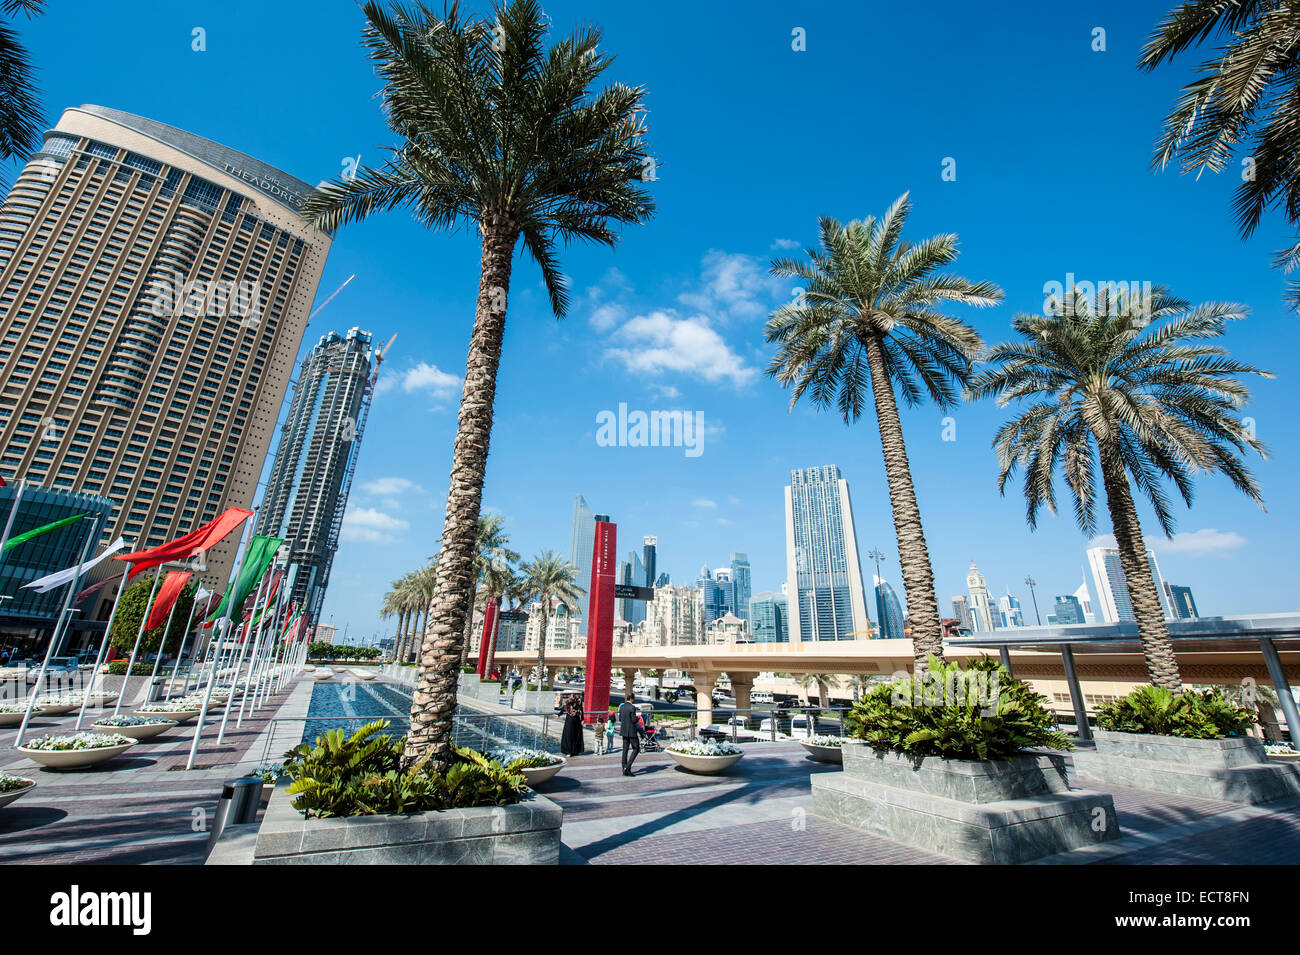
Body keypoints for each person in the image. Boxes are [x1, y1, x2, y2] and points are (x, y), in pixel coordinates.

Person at [617, 693, 642, 776]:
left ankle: (624, 766)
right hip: (631, 731)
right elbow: (633, 720)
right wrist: (638, 717)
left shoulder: (622, 707)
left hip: (624, 731)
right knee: (636, 749)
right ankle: (627, 767)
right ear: (631, 699)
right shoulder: (632, 707)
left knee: (625, 749)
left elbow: (620, 719)